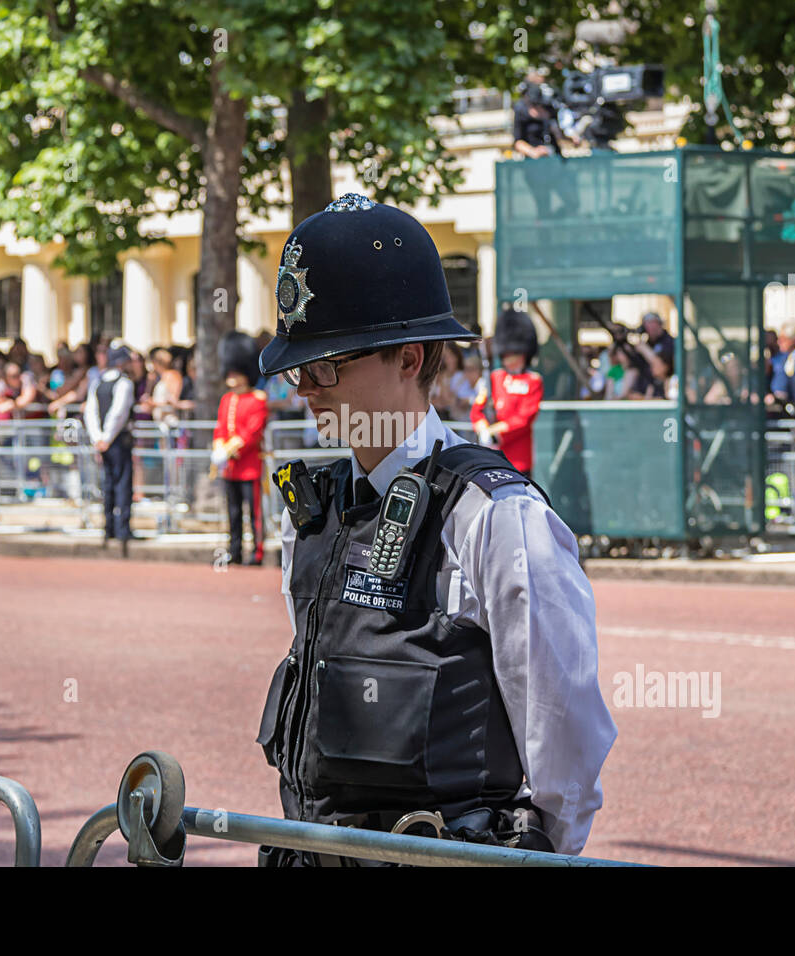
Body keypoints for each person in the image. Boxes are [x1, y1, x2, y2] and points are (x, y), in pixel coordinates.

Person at [253, 193, 615, 866]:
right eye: (298, 367)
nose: (305, 387)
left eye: (327, 365)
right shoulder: (313, 510)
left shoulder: (496, 518)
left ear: (412, 358)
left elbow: (564, 741)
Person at [211, 332, 270, 566]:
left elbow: (252, 433)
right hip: (230, 468)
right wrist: (218, 447)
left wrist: (228, 449)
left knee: (253, 513)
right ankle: (234, 550)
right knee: (233, 512)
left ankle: (256, 552)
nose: (232, 377)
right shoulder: (227, 399)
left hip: (250, 466)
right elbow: (221, 427)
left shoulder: (258, 399)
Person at [470, 308, 544, 475]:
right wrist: (483, 430)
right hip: (491, 455)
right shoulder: (495, 378)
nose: (509, 359)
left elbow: (524, 418)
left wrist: (495, 431)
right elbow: (477, 411)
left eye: (514, 354)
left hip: (518, 458)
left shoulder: (532, 381)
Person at [85, 343, 137, 555]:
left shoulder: (98, 383)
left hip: (104, 440)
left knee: (108, 483)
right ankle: (121, 528)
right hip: (117, 440)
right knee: (121, 483)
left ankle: (109, 527)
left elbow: (91, 412)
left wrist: (97, 437)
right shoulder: (123, 383)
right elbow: (119, 412)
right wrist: (105, 438)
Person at [512, 73, 579, 219]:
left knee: (572, 201)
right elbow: (517, 142)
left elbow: (558, 134)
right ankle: (545, 232)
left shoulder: (549, 108)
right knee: (543, 207)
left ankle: (557, 222)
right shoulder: (521, 110)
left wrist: (571, 139)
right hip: (536, 169)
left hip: (555, 165)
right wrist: (534, 152)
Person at [768, 323, 795, 411]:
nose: (778, 342)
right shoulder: (781, 358)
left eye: (783, 339)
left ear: (793, 340)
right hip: (782, 405)